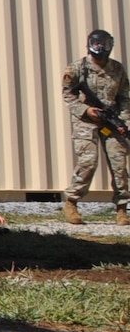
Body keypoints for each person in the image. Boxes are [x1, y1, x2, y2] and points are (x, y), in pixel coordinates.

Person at [61, 29, 130, 226]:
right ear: (90, 45)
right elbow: (68, 94)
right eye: (97, 44)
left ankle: (122, 209)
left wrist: (124, 122)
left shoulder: (117, 69)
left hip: (112, 121)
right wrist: (85, 110)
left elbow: (125, 98)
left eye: (105, 44)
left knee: (119, 164)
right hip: (86, 121)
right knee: (88, 161)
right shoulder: (77, 68)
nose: (101, 48)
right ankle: (71, 202)